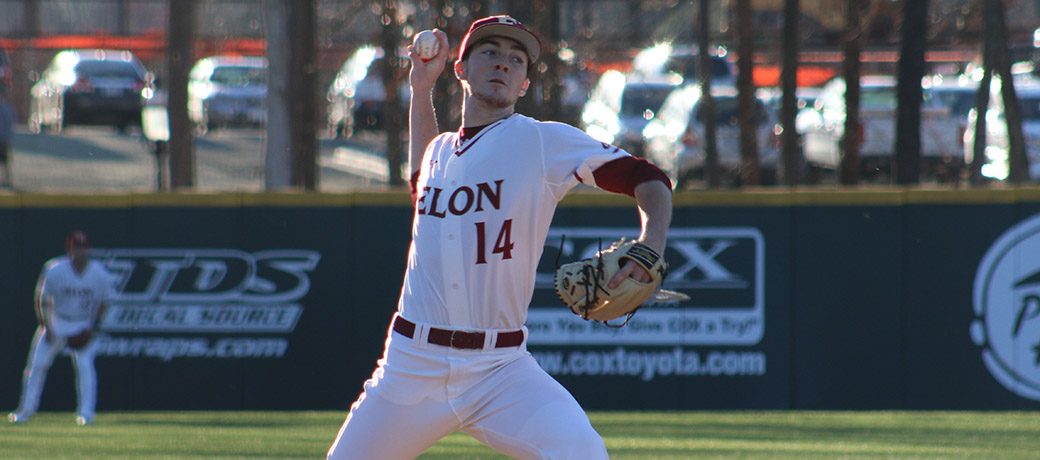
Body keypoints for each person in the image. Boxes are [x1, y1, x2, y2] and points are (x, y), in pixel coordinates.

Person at [326, 15, 673, 459]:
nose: (503, 64)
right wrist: (420, 89)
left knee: (582, 450)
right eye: (489, 52)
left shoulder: (542, 142)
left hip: (500, 371)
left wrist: (649, 246)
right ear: (461, 69)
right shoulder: (439, 152)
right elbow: (421, 183)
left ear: (524, 85)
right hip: (410, 368)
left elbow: (648, 178)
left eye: (516, 59)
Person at [9, 231, 116, 426]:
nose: (80, 252)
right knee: (37, 365)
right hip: (56, 320)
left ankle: (86, 414)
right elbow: (41, 299)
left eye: (83, 248)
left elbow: (105, 302)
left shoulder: (99, 273)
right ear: (69, 249)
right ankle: (25, 410)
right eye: (76, 247)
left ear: (89, 250)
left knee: (85, 367)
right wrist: (47, 326)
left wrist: (93, 328)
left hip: (82, 322)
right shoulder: (54, 269)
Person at [0, 83, 15, 187]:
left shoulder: (6, 109)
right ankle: (6, 179)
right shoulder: (8, 108)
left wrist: (6, 138)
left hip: (3, 139)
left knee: (5, 159)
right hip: (4, 138)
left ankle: (8, 179)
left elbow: (8, 124)